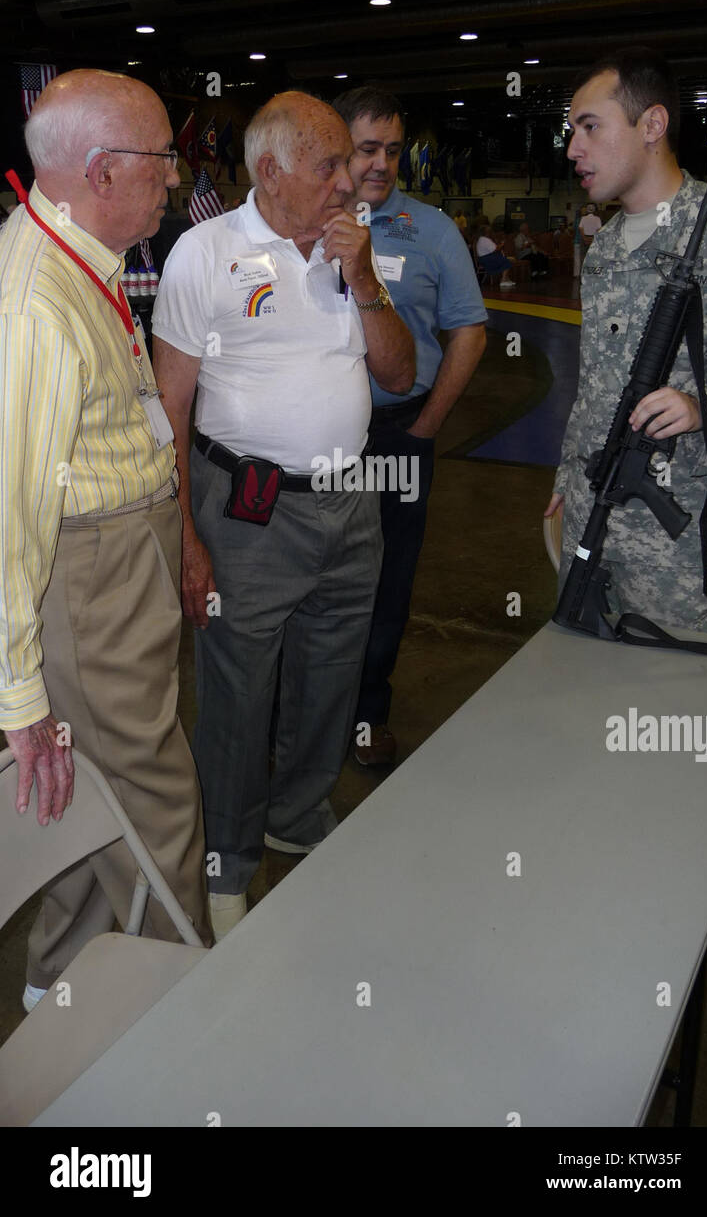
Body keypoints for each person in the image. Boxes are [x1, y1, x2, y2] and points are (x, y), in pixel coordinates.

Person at [152, 91, 414, 938]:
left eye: (351, 164)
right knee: (236, 688)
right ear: (269, 171)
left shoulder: (355, 251)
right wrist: (186, 536)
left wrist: (364, 279)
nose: (351, 182)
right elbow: (171, 406)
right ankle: (224, 858)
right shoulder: (207, 253)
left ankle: (297, 819)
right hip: (248, 514)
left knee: (331, 675)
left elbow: (400, 377)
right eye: (329, 165)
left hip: (350, 504)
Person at [0, 69, 213, 1011]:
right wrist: (17, 693)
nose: (176, 177)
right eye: (163, 158)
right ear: (101, 170)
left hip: (107, 568)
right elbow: (9, 509)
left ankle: (64, 985)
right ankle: (184, 1008)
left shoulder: (74, 250)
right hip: (89, 581)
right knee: (156, 795)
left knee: (88, 800)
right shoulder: (38, 303)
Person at [545, 48, 707, 632]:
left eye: (590, 127)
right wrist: (565, 476)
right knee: (579, 690)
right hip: (592, 521)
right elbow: (593, 380)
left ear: (652, 125)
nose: (573, 148)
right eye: (571, 130)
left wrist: (705, 409)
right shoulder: (603, 249)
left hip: (680, 548)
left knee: (677, 712)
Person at [333, 86, 487, 766]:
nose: (381, 163)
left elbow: (470, 332)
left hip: (396, 434)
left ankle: (367, 714)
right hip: (315, 439)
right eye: (367, 147)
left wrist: (426, 426)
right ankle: (298, 712)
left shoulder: (430, 230)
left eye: (392, 150)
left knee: (387, 579)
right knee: (308, 575)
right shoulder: (304, 225)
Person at [474, 219, 515, 289]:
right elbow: (495, 249)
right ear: (486, 232)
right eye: (489, 231)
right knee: (507, 261)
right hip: (487, 259)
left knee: (505, 260)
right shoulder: (485, 239)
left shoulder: (481, 239)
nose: (491, 233)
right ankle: (503, 280)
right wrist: (502, 244)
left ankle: (506, 279)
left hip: (484, 258)